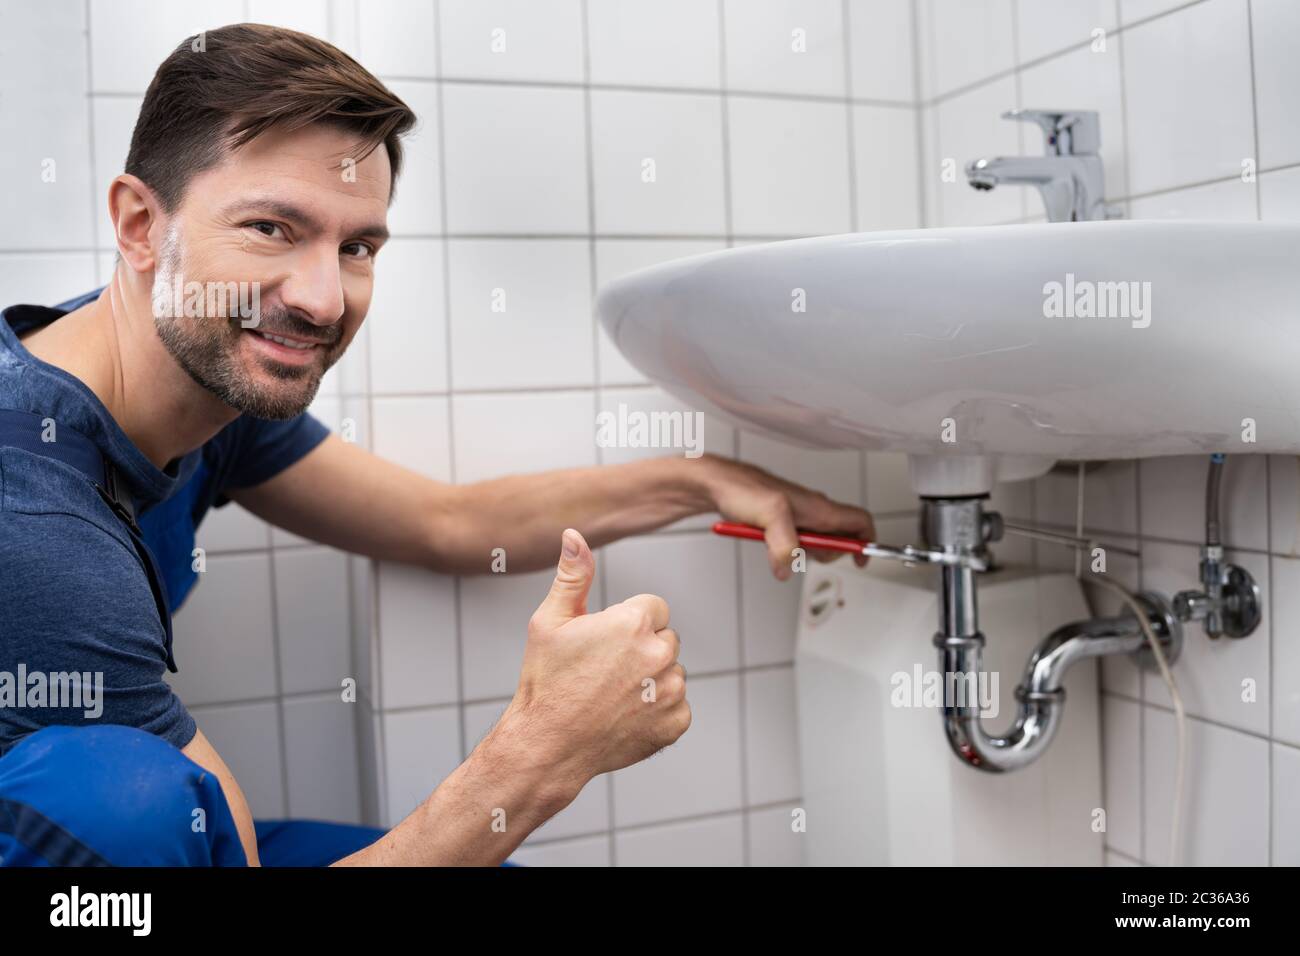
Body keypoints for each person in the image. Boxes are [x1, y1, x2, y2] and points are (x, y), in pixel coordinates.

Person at [0, 23, 873, 867]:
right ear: (141, 225)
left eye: (357, 245)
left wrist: (705, 480)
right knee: (120, 794)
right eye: (271, 228)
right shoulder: (33, 511)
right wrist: (543, 755)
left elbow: (446, 523)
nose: (322, 300)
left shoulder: (197, 370)